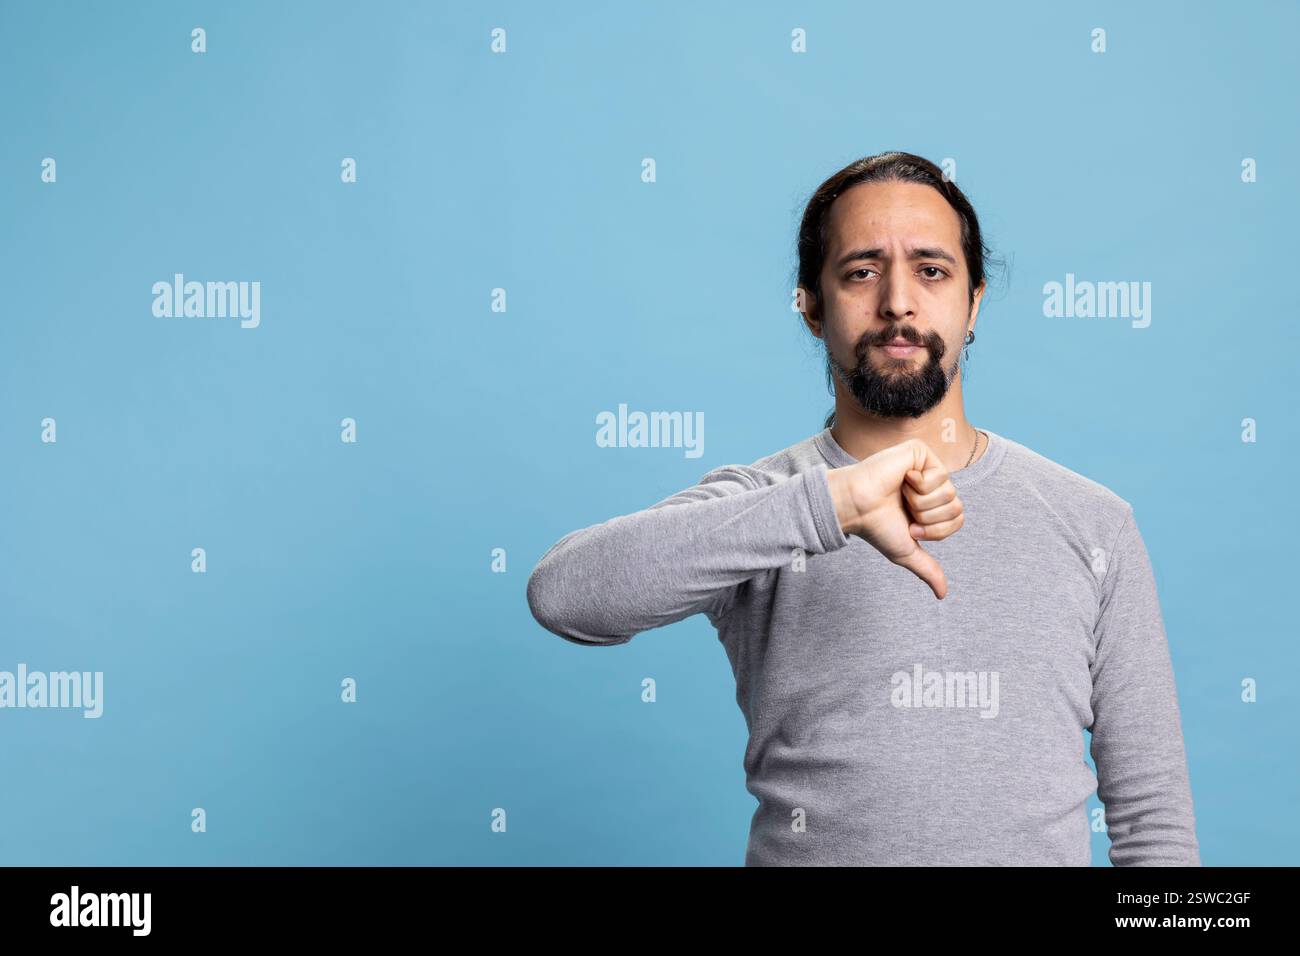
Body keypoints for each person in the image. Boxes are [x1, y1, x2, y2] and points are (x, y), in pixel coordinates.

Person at [526, 151, 1200, 867]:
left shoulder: (1093, 524)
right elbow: (563, 596)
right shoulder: (769, 505)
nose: (898, 302)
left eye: (932, 270)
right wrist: (834, 502)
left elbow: (1153, 821)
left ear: (974, 303)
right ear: (812, 307)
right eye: (861, 272)